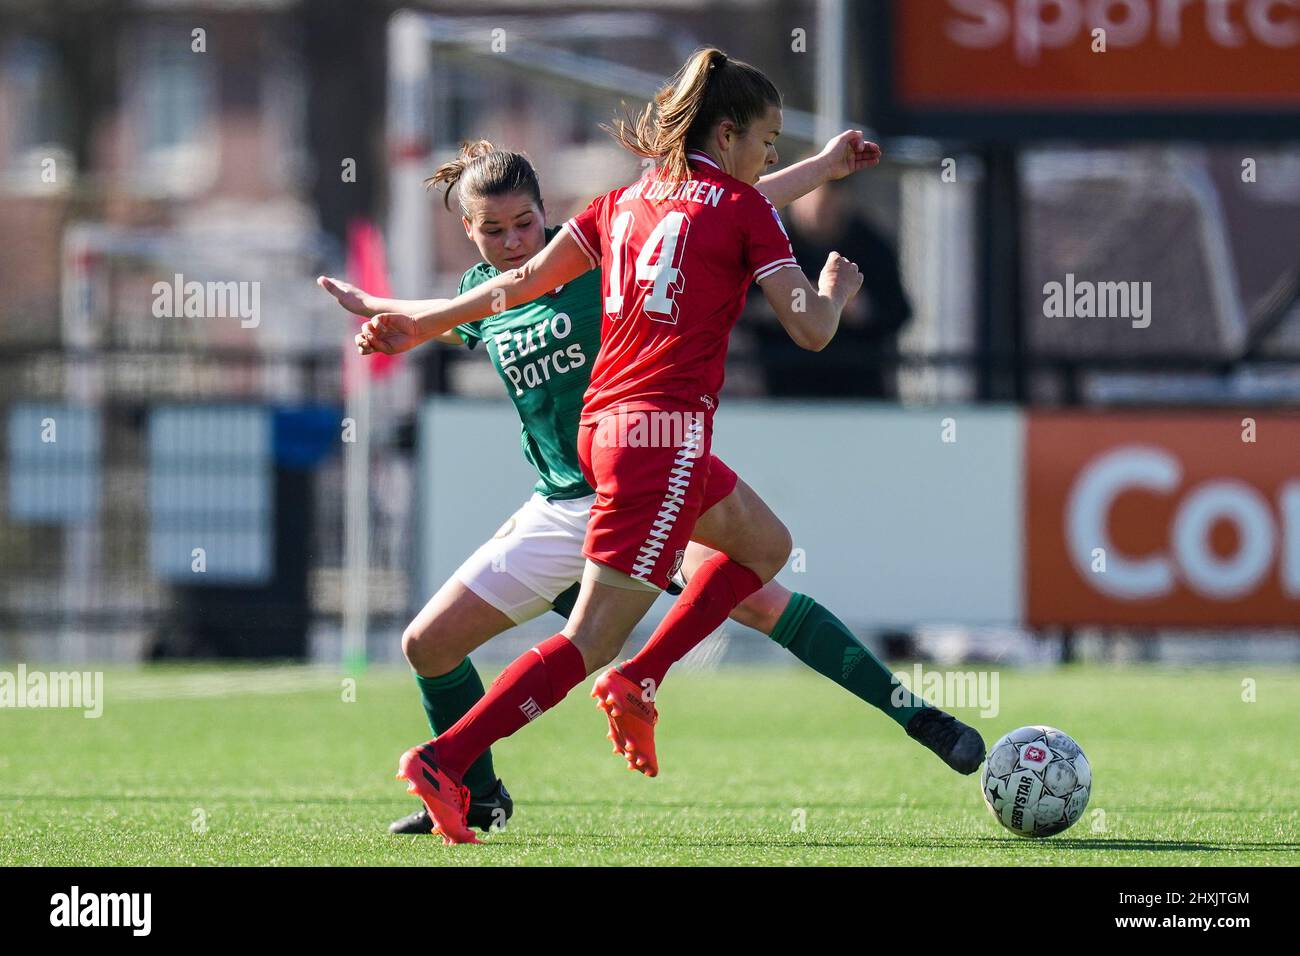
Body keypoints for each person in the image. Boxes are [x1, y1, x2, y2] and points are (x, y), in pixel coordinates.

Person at [338, 48, 982, 845]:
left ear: (545, 211)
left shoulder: (609, 222)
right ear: (470, 235)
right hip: (609, 475)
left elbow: (720, 212)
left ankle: (916, 717)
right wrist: (407, 322)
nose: (510, 241)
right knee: (467, 644)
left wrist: (820, 166)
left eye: (523, 223)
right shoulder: (501, 287)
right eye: (492, 231)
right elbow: (742, 244)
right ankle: (472, 770)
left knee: (762, 574)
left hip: (619, 457)